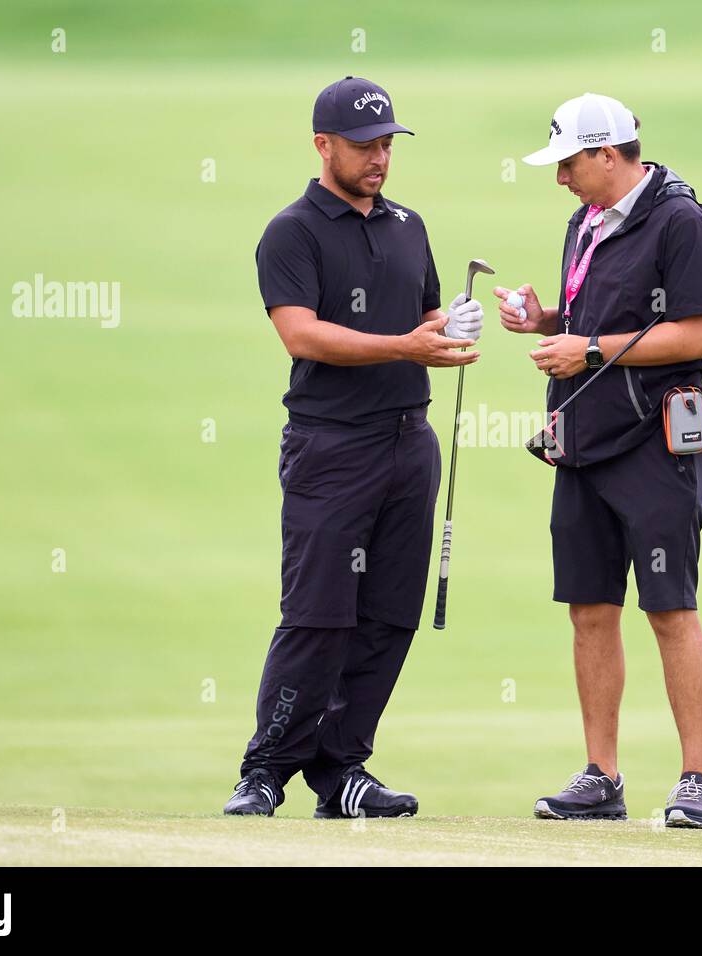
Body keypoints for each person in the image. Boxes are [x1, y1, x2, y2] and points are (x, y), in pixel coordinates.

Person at [224, 76, 484, 818]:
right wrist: (406, 345)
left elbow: (427, 310)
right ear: (323, 145)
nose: (379, 159)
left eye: (387, 145)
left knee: (389, 615)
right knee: (317, 613)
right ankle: (266, 768)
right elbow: (301, 333)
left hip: (410, 442)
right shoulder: (292, 232)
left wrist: (451, 327)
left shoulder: (408, 224)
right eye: (365, 146)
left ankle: (340, 770)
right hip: (331, 447)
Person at [494, 92, 702, 828]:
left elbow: (698, 334)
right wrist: (547, 322)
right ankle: (602, 776)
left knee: (670, 609)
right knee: (590, 609)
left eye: (568, 163)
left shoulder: (680, 222)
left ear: (605, 153)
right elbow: (601, 317)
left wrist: (587, 349)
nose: (560, 177)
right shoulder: (586, 220)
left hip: (654, 443)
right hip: (583, 438)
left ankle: (698, 782)